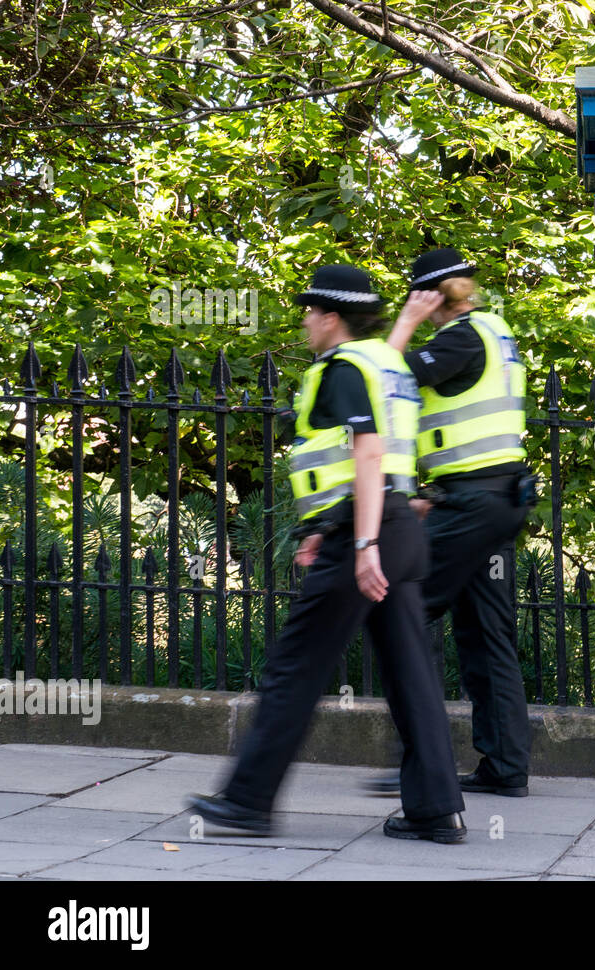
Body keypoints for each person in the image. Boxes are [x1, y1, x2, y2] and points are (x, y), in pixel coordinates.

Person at [188, 263, 467, 843]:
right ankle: (437, 810)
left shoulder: (343, 368)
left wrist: (360, 543)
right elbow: (384, 462)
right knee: (411, 678)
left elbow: (367, 452)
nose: (306, 323)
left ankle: (247, 802)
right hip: (396, 530)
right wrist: (335, 526)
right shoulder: (389, 364)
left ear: (332, 317)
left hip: (364, 542)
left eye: (311, 312)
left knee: (295, 669)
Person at [375, 247, 535, 798]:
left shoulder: (461, 338)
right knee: (487, 633)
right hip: (495, 500)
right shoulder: (495, 332)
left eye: (418, 293)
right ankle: (505, 767)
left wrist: (404, 323)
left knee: (404, 611)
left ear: (434, 294)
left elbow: (382, 380)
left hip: (473, 505)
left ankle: (423, 764)